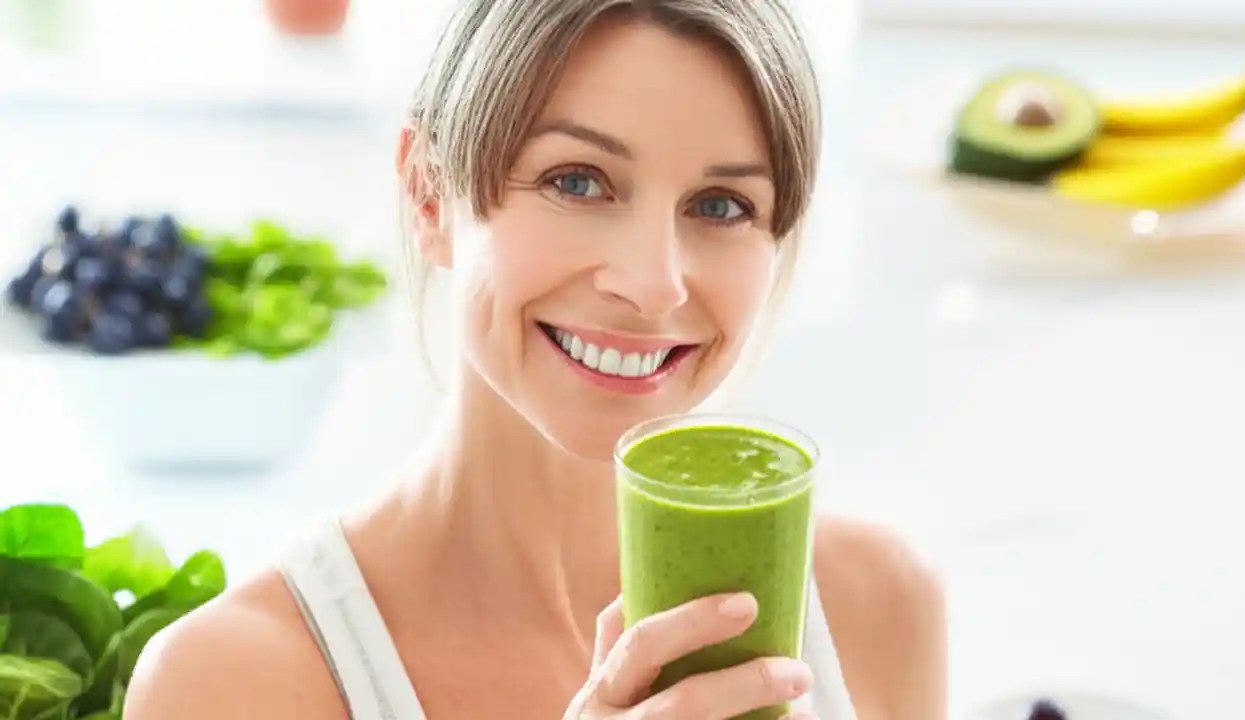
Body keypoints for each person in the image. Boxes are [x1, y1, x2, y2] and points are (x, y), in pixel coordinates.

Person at [124, 1, 946, 718]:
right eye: (579, 182)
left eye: (721, 205)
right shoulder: (233, 683)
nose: (653, 284)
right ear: (429, 194)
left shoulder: (875, 606)